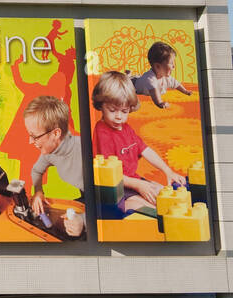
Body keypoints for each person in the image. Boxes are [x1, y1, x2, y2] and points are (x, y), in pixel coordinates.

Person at [92, 71, 186, 214]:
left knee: (164, 194)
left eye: (124, 111)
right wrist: (139, 185)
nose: (118, 117)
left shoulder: (126, 128)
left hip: (133, 181)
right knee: (147, 208)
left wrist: (168, 171)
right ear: (101, 106)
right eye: (112, 110)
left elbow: (145, 150)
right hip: (116, 188)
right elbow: (108, 175)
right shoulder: (102, 132)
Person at [25, 95, 85, 237]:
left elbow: (107, 198)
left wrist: (83, 220)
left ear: (56, 133)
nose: (30, 141)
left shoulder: (84, 149)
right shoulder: (50, 152)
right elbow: (36, 170)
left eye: (35, 136)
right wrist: (38, 191)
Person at [132, 41, 192, 109]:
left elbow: (176, 84)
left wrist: (185, 91)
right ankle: (129, 75)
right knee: (128, 82)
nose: (174, 66)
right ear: (157, 66)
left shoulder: (166, 77)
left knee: (139, 77)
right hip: (134, 84)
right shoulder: (150, 79)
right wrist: (160, 102)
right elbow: (154, 92)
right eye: (171, 63)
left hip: (141, 79)